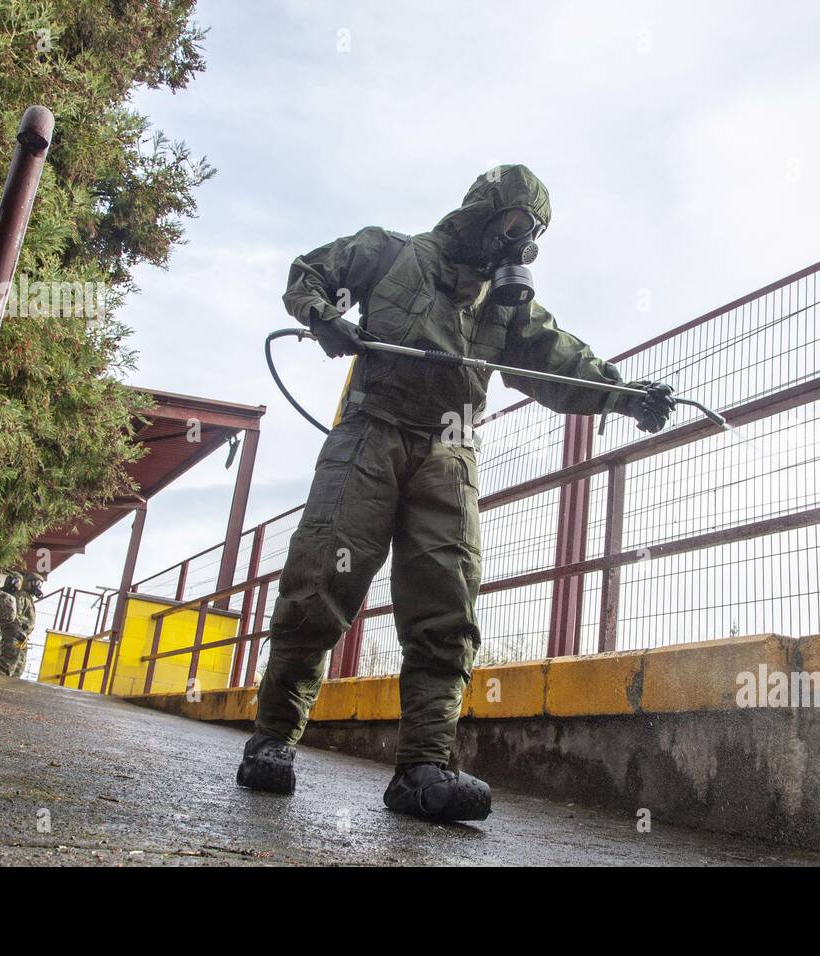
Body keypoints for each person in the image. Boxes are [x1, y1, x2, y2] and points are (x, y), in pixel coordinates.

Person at [237, 165, 676, 821]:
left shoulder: (508, 307)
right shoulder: (388, 253)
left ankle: (423, 769)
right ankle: (271, 742)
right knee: (320, 582)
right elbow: (310, 273)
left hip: (449, 452)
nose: (518, 246)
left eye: (532, 237)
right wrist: (323, 317)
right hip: (370, 432)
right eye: (515, 228)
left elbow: (557, 360)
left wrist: (626, 394)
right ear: (484, 212)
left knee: (446, 608)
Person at [0, 572, 39, 678]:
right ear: (30, 583)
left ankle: (8, 689)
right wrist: (18, 630)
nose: (38, 586)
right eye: (36, 583)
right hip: (15, 634)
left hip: (22, 636)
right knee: (8, 662)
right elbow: (14, 615)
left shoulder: (29, 598)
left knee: (18, 667)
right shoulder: (21, 596)